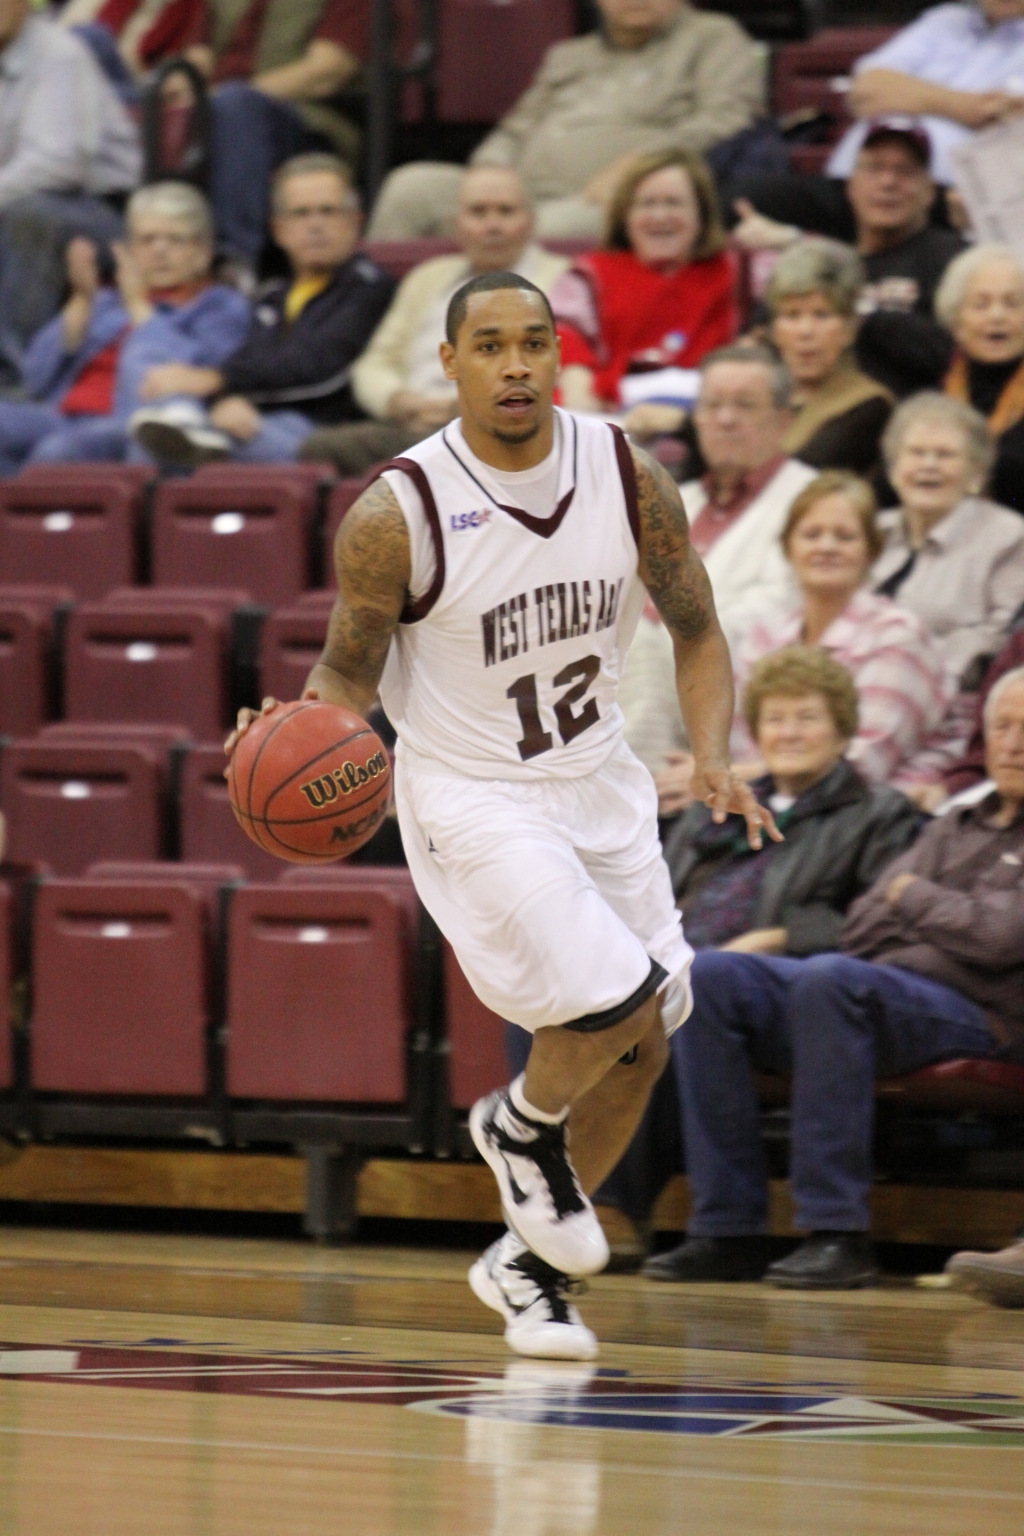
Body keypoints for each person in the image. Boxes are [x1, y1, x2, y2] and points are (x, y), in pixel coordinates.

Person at [224, 267, 774, 1360]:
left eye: (535, 342)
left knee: (644, 1045)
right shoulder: (400, 510)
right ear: (451, 363)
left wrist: (711, 752)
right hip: (471, 793)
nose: (515, 363)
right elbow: (346, 674)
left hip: (598, 780)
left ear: (559, 353)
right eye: (490, 345)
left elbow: (697, 627)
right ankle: (518, 1126)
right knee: (614, 1003)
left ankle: (523, 1267)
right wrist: (289, 734)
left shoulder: (624, 472)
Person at [650, 664, 1024, 1291]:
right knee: (709, 977)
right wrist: (930, 914)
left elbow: (1002, 939)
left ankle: (836, 1233)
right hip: (886, 990)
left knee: (829, 978)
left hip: (981, 1014)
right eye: (1003, 726)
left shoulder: (894, 819)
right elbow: (865, 925)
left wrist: (915, 899)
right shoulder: (958, 824)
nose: (1013, 741)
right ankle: (727, 1228)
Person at [366, 0, 765, 244]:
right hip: (522, 190)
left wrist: (641, 166)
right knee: (410, 189)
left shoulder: (713, 38)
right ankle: (389, 328)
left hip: (610, 199)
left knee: (538, 232)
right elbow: (516, 129)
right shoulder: (570, 55)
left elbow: (729, 121)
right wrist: (488, 172)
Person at [127, 155, 394, 469]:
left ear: (356, 222)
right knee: (154, 440)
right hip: (255, 417)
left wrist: (219, 381)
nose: (315, 225)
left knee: (175, 447)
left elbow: (321, 368)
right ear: (279, 230)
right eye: (301, 214)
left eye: (328, 211)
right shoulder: (271, 296)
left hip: (322, 430)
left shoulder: (371, 287)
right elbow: (246, 360)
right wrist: (224, 399)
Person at [300, 167, 567, 476]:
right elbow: (374, 363)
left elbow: (559, 364)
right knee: (322, 447)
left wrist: (470, 406)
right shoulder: (426, 278)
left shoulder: (565, 277)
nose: (492, 225)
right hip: (415, 427)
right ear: (456, 224)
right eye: (478, 212)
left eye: (506, 211)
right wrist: (400, 401)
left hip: (507, 426)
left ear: (531, 220)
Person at [0, 182, 249, 473]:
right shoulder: (105, 302)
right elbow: (34, 379)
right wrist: (81, 303)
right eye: (147, 240)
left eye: (175, 240)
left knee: (57, 452)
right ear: (128, 250)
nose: (160, 251)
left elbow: (195, 377)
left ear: (203, 253)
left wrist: (139, 309)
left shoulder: (220, 306)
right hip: (60, 417)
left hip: (131, 424)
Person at [732, 472, 956, 792]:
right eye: (811, 534)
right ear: (788, 547)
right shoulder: (765, 636)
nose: (827, 547)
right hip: (772, 801)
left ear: (871, 551)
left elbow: (865, 763)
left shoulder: (897, 635)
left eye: (845, 536)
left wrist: (734, 778)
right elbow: (744, 743)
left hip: (874, 816)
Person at [729, 2, 1024, 242]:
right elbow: (867, 90)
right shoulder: (946, 22)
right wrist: (968, 108)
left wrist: (910, 93)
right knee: (741, 195)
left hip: (951, 202)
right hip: (849, 188)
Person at [733, 122, 964, 398]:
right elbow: (759, 330)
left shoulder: (954, 260)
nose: (888, 182)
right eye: (875, 168)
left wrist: (862, 316)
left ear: (930, 192)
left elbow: (953, 353)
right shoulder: (826, 262)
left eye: (905, 171)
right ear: (851, 187)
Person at [0, 0, 141, 376]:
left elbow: (57, 164)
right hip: (18, 199)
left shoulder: (58, 55)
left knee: (32, 217)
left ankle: (13, 375)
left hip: (105, 213)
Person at [552, 148, 737, 427]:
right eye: (647, 204)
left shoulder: (737, 271)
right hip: (609, 418)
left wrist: (785, 238)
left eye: (674, 203)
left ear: (702, 214)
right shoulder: (587, 275)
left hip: (707, 420)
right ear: (625, 215)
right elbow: (566, 342)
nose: (660, 216)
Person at [872, 393, 1024, 685]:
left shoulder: (1008, 536)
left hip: (947, 696)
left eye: (945, 455)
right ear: (893, 470)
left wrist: (912, 666)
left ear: (976, 475)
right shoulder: (872, 531)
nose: (929, 465)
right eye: (916, 452)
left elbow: (1002, 637)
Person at [764, 239, 892, 476]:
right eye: (792, 316)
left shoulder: (868, 407)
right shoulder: (758, 399)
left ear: (850, 328)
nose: (805, 331)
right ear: (774, 329)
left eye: (822, 315)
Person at [936, 243, 1024, 515]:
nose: (997, 316)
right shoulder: (936, 400)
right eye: (980, 305)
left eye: (1012, 304)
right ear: (956, 321)